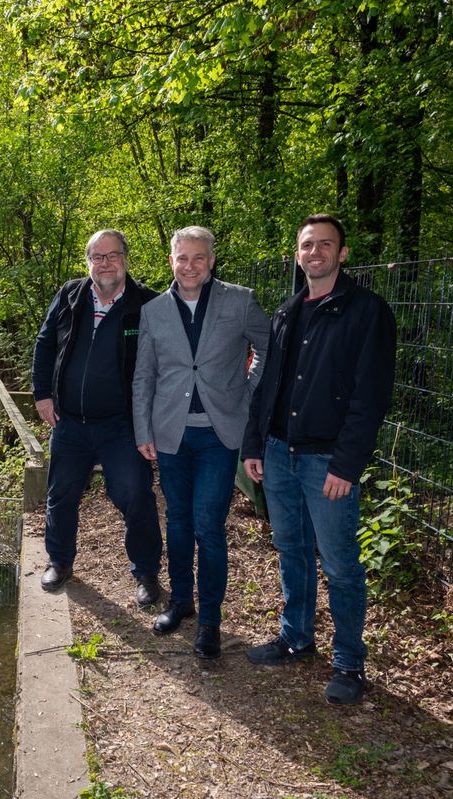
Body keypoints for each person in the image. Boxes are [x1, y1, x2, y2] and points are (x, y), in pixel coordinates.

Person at [241, 214, 396, 704]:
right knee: (291, 549)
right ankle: (297, 638)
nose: (316, 252)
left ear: (342, 253)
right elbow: (265, 386)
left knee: (341, 563)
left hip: (326, 461)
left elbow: (370, 397)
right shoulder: (287, 313)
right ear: (297, 254)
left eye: (325, 245)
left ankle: (349, 662)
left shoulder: (366, 311)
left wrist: (346, 465)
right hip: (279, 453)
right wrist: (253, 444)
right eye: (307, 245)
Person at [132, 226, 269, 658]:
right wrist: (143, 431)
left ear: (211, 261)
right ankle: (180, 603)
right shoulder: (154, 310)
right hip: (171, 435)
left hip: (218, 434)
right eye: (181, 258)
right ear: (171, 260)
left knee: (208, 525)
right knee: (178, 521)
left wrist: (247, 397)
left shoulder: (239, 300)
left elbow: (268, 348)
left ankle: (210, 619)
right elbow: (144, 375)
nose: (189, 266)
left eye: (198, 258)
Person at [31, 229, 164, 605]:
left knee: (135, 495)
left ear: (125, 259)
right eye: (97, 257)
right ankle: (59, 561)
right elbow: (45, 344)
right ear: (88, 262)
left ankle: (146, 572)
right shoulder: (70, 295)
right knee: (61, 495)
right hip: (70, 421)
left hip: (122, 426)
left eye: (112, 255)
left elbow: (165, 364)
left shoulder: (147, 305)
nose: (105, 263)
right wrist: (42, 393)